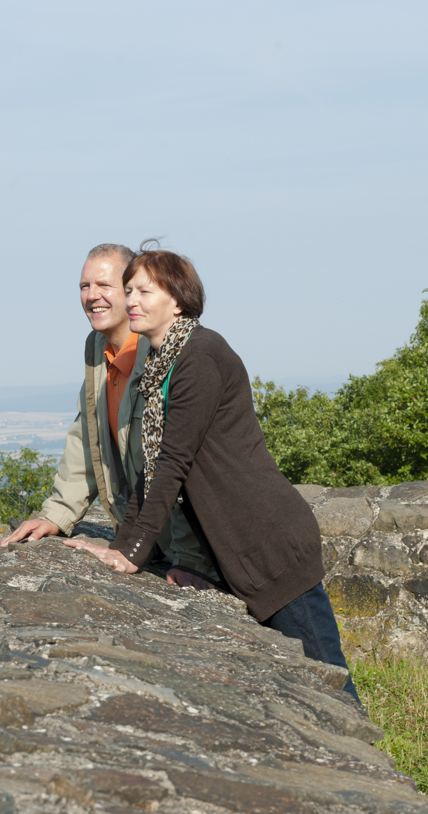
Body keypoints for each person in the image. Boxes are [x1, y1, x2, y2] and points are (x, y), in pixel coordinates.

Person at [65, 246, 361, 707]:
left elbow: (172, 464)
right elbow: (150, 472)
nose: (132, 301)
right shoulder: (164, 361)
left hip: (267, 545)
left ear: (177, 300)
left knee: (329, 686)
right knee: (292, 693)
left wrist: (131, 554)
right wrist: (121, 546)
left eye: (144, 291)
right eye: (130, 291)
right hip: (234, 546)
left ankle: (370, 775)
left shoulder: (199, 356)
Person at [2, 244, 220, 586]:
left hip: (196, 547)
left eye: (105, 286)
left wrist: (191, 560)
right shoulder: (97, 349)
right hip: (147, 539)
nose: (92, 296)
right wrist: (57, 515)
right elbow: (88, 438)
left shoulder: (163, 352)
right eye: (84, 286)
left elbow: (177, 462)